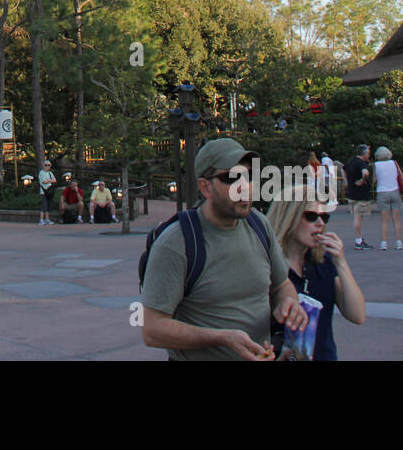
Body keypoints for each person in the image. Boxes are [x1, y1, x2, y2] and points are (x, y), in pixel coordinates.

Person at [140, 137, 307, 361]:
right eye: (231, 178)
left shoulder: (259, 225)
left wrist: (288, 303)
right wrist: (222, 338)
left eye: (249, 176)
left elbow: (282, 285)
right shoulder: (177, 242)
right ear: (205, 187)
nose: (244, 186)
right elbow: (152, 330)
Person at [266, 185, 367, 360]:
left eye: (324, 217)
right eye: (312, 216)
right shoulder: (268, 265)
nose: (320, 223)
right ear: (289, 217)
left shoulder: (322, 262)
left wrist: (341, 263)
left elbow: (357, 315)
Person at [371, 146, 403, 250]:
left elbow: (374, 181)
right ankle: (399, 242)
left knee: (384, 220)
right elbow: (401, 176)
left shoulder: (376, 165)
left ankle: (384, 243)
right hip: (395, 191)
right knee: (396, 219)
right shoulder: (394, 163)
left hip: (382, 192)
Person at [344, 145, 373, 250]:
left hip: (352, 193)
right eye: (368, 153)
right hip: (361, 194)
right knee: (358, 217)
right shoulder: (361, 163)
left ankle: (359, 239)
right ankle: (358, 240)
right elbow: (365, 172)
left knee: (356, 216)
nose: (369, 155)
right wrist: (363, 180)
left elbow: (343, 169)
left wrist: (346, 181)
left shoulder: (351, 161)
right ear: (364, 154)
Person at [37, 160, 57, 226]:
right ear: (43, 165)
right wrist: (50, 181)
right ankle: (41, 220)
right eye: (46, 165)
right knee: (43, 206)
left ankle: (47, 219)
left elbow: (55, 180)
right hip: (44, 191)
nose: (47, 166)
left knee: (48, 206)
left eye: (48, 165)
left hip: (49, 191)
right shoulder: (41, 173)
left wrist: (49, 180)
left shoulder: (50, 173)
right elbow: (43, 181)